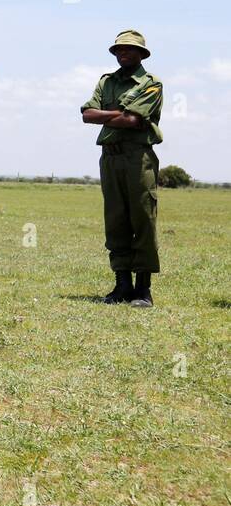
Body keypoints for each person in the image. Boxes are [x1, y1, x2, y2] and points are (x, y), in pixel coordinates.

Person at [80, 30, 163, 307]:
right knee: (115, 219)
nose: (122, 53)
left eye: (129, 49)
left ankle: (143, 290)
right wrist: (121, 115)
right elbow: (87, 115)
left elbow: (134, 121)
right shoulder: (107, 82)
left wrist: (115, 117)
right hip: (110, 157)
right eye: (118, 49)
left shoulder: (151, 84)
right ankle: (122, 285)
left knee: (142, 219)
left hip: (138, 159)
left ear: (142, 54)